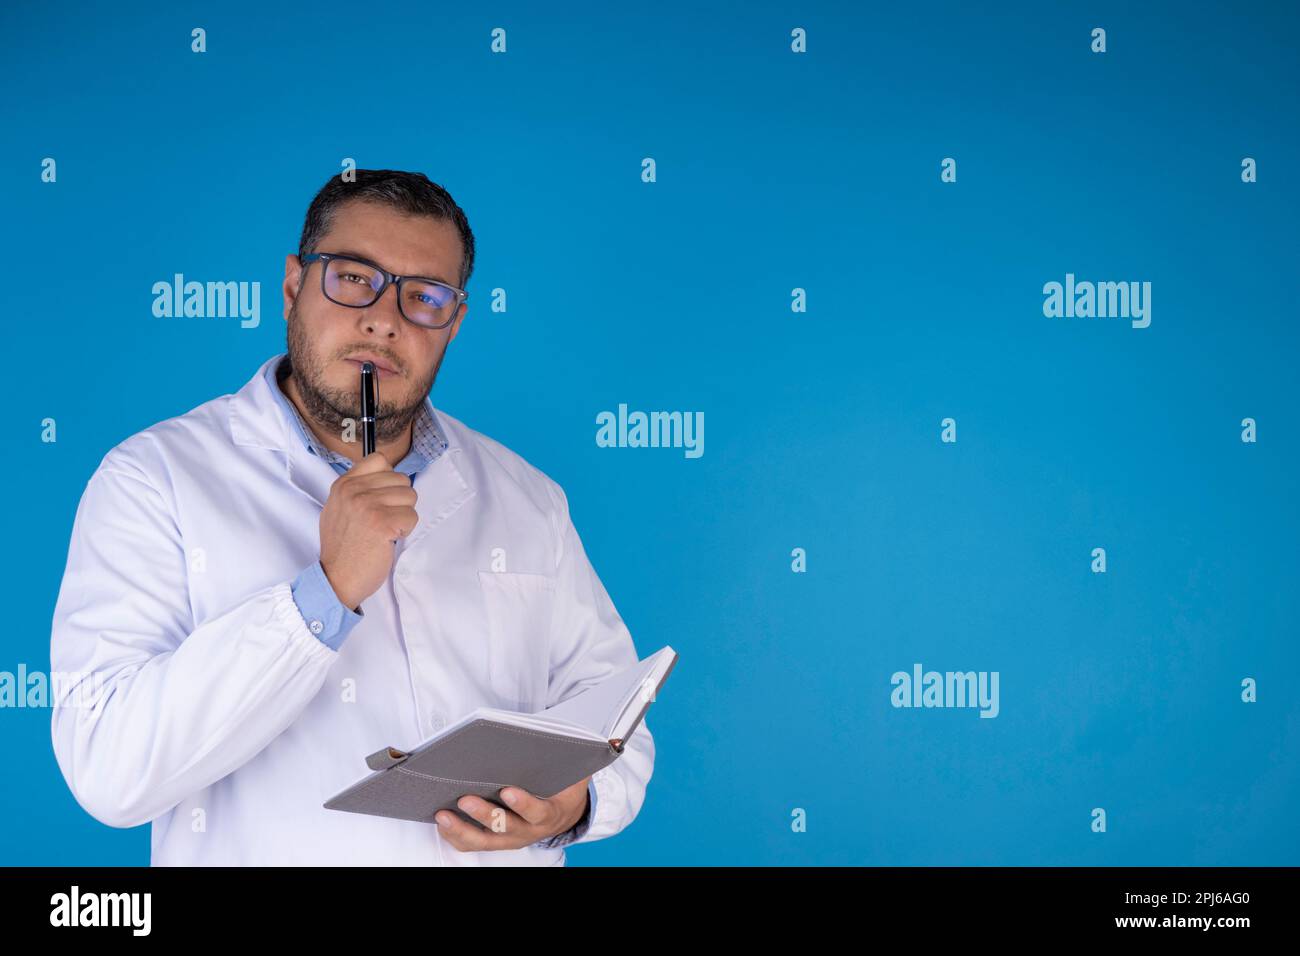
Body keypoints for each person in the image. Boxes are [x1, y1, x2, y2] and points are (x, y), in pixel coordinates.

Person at [48, 169, 654, 865]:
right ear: (292, 288)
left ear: (452, 324)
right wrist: (326, 593)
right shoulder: (154, 480)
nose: (384, 319)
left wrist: (569, 804)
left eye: (424, 297)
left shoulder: (527, 498)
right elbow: (109, 771)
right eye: (352, 277)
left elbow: (613, 720)